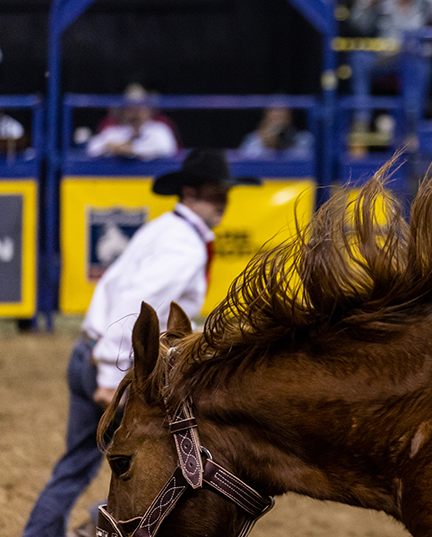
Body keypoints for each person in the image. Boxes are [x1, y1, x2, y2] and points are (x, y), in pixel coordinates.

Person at [20, 150, 260, 537]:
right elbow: (138, 305)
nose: (222, 204)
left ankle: (45, 532)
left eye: (225, 195)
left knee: (78, 463)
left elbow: (126, 293)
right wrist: (108, 375)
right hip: (118, 366)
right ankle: (95, 525)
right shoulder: (184, 245)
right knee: (159, 460)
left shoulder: (164, 228)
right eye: (215, 195)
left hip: (91, 350)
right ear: (189, 192)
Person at [86, 84, 178, 159]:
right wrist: (109, 146)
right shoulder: (114, 131)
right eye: (130, 108)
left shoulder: (159, 130)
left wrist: (132, 149)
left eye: (139, 108)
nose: (135, 112)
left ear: (148, 109)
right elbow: (92, 148)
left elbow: (167, 148)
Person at [238, 106, 314, 157]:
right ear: (266, 119)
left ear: (290, 118)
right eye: (275, 118)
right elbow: (246, 160)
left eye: (282, 116)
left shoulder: (303, 138)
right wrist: (267, 146)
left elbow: (304, 159)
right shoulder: (253, 138)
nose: (278, 123)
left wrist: (281, 146)